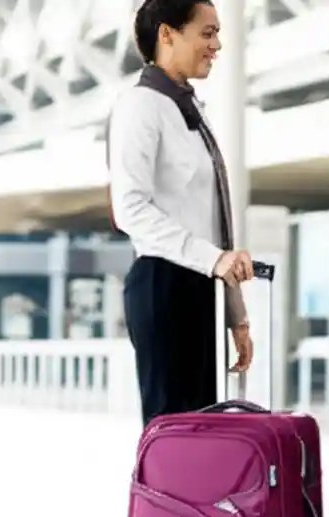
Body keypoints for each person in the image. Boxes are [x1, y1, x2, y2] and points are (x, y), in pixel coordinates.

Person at [108, 0, 256, 426]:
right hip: (164, 286)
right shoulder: (141, 106)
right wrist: (213, 261)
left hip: (199, 289)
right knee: (174, 434)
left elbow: (212, 220)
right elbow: (130, 208)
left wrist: (235, 313)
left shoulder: (188, 110)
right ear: (167, 34)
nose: (217, 45)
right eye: (206, 33)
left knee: (202, 434)